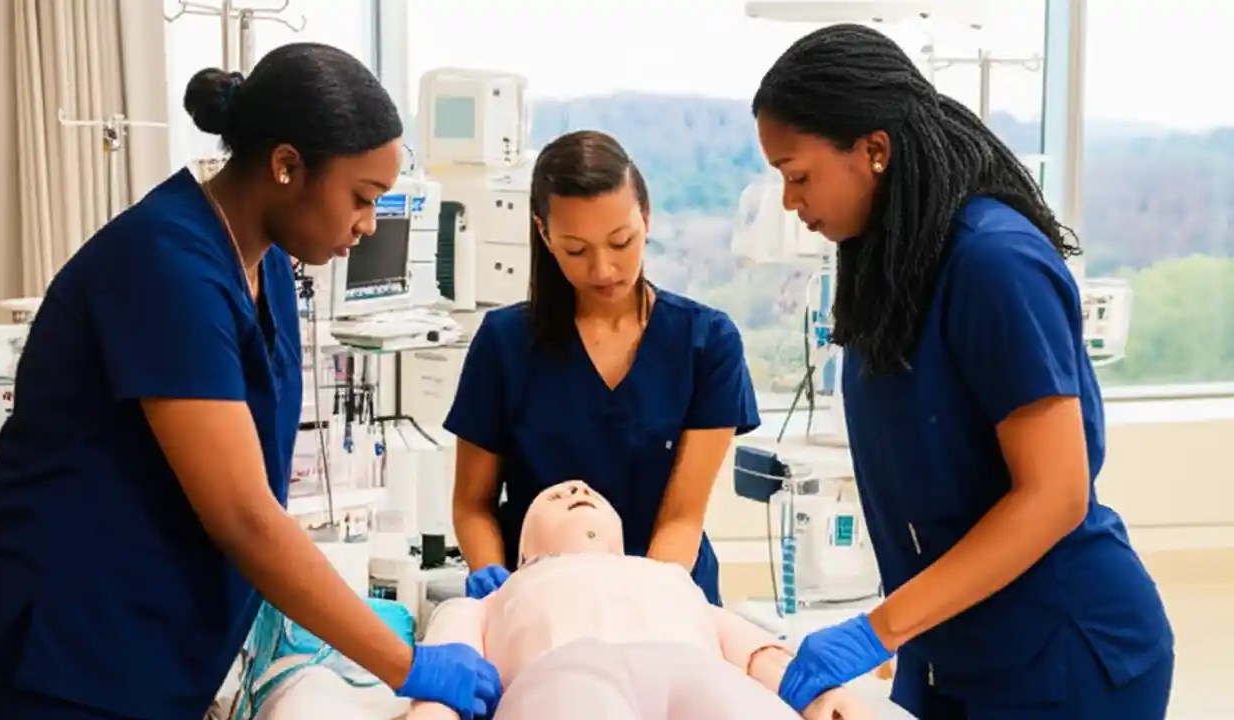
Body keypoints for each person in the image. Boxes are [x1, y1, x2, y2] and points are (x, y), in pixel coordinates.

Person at [0, 43, 500, 720]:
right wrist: (407, 666)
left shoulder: (265, 266)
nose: (367, 226)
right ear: (286, 165)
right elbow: (243, 516)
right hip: (56, 654)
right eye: (362, 199)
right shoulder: (166, 266)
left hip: (143, 647)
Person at [750, 24, 1174, 719]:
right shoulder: (889, 267)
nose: (792, 203)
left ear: (874, 150)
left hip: (1064, 652)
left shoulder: (993, 262)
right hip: (949, 649)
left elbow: (1056, 493)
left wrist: (877, 628)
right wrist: (900, 632)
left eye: (798, 176)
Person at [445, 130, 760, 606]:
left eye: (621, 242)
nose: (603, 270)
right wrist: (493, 575)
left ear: (646, 218)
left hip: (667, 594)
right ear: (544, 234)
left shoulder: (707, 342)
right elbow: (473, 503)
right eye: (576, 250)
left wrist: (643, 606)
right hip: (539, 602)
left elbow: (681, 518)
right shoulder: (504, 343)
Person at [409, 480, 876, 720]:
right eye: (556, 496)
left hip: (699, 668)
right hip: (567, 668)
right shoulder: (498, 595)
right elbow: (449, 669)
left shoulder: (672, 579)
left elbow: (755, 656)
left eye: (588, 492)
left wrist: (821, 696)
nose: (576, 490)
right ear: (524, 553)